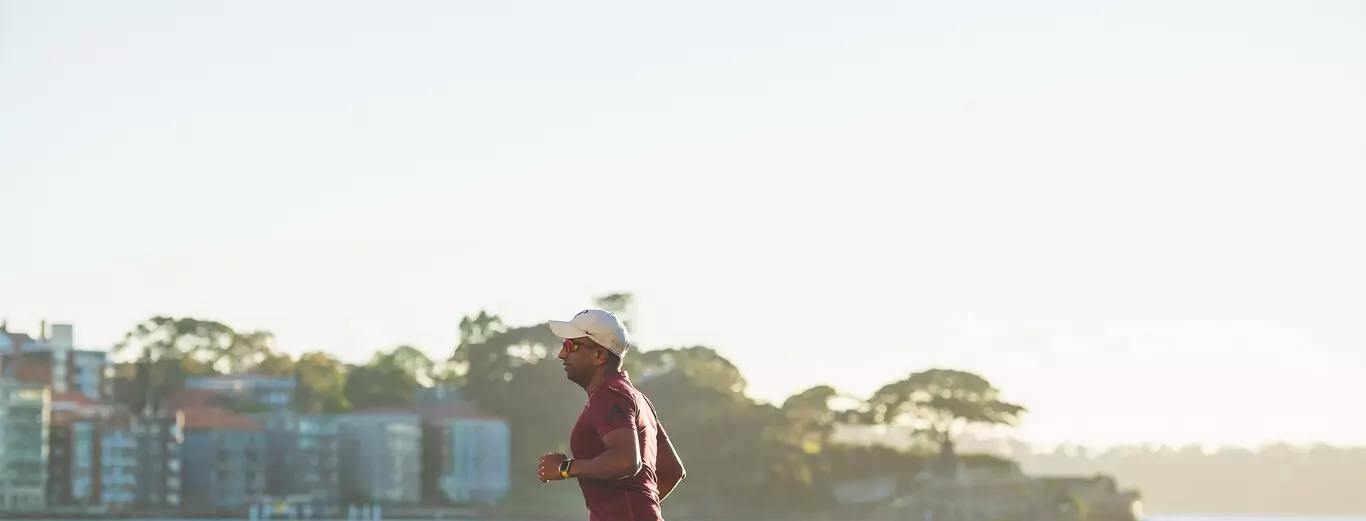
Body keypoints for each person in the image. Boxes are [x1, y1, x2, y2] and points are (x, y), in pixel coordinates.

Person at [536, 308, 686, 521]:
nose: (562, 354)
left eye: (570, 345)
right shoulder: (635, 397)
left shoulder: (609, 395)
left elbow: (625, 461)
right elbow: (672, 470)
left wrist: (565, 468)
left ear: (599, 355)